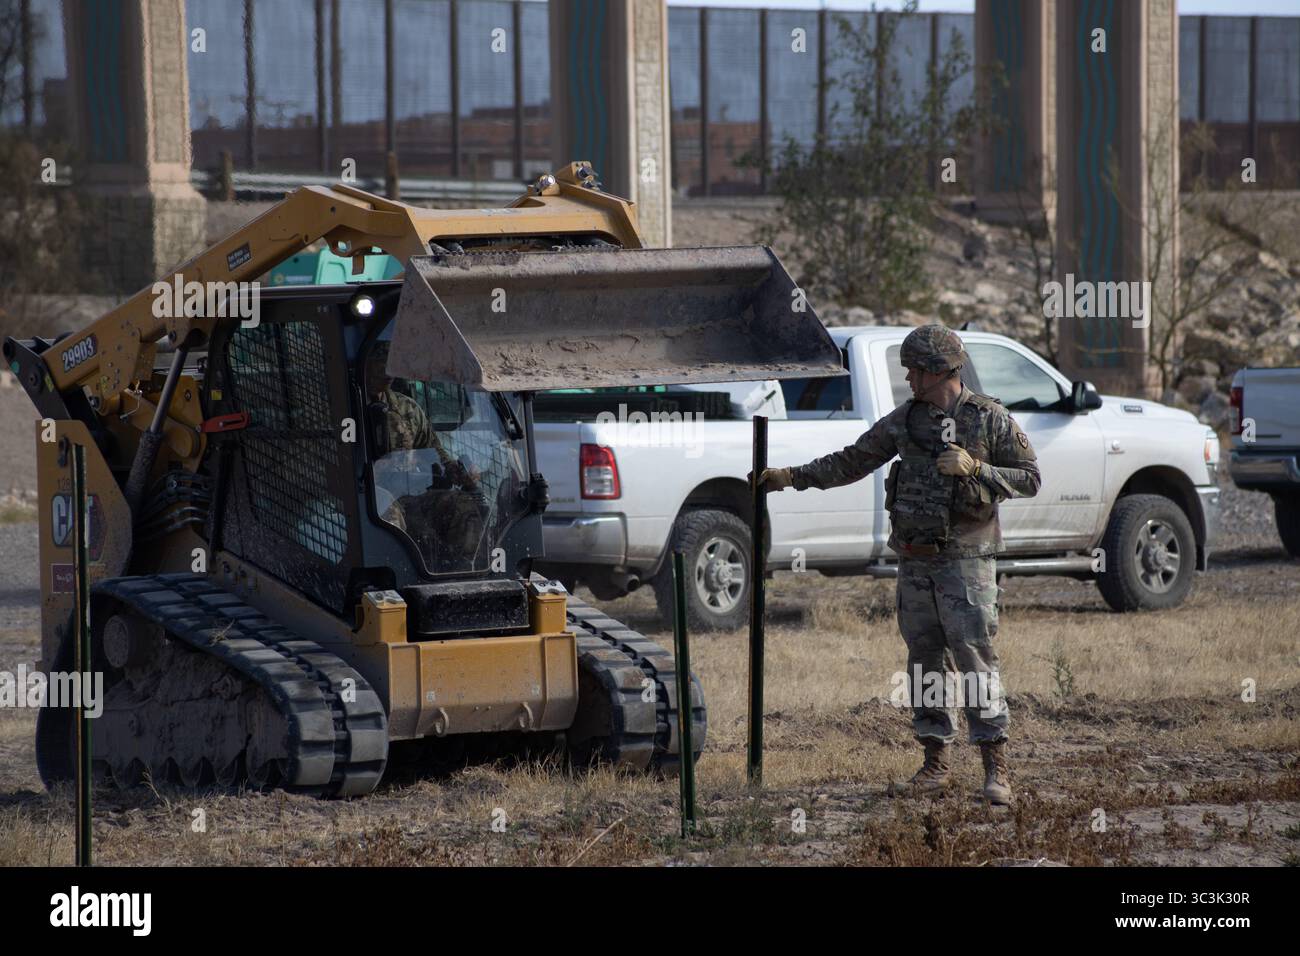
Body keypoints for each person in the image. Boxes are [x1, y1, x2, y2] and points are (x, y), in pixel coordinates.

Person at [757, 325, 1040, 805]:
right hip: (915, 563)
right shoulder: (905, 421)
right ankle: (935, 764)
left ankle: (996, 768)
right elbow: (852, 461)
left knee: (974, 661)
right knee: (925, 664)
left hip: (966, 563)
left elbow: (1031, 479)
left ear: (937, 371)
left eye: (913, 369)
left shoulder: (990, 419)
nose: (907, 377)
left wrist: (977, 469)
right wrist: (789, 477)